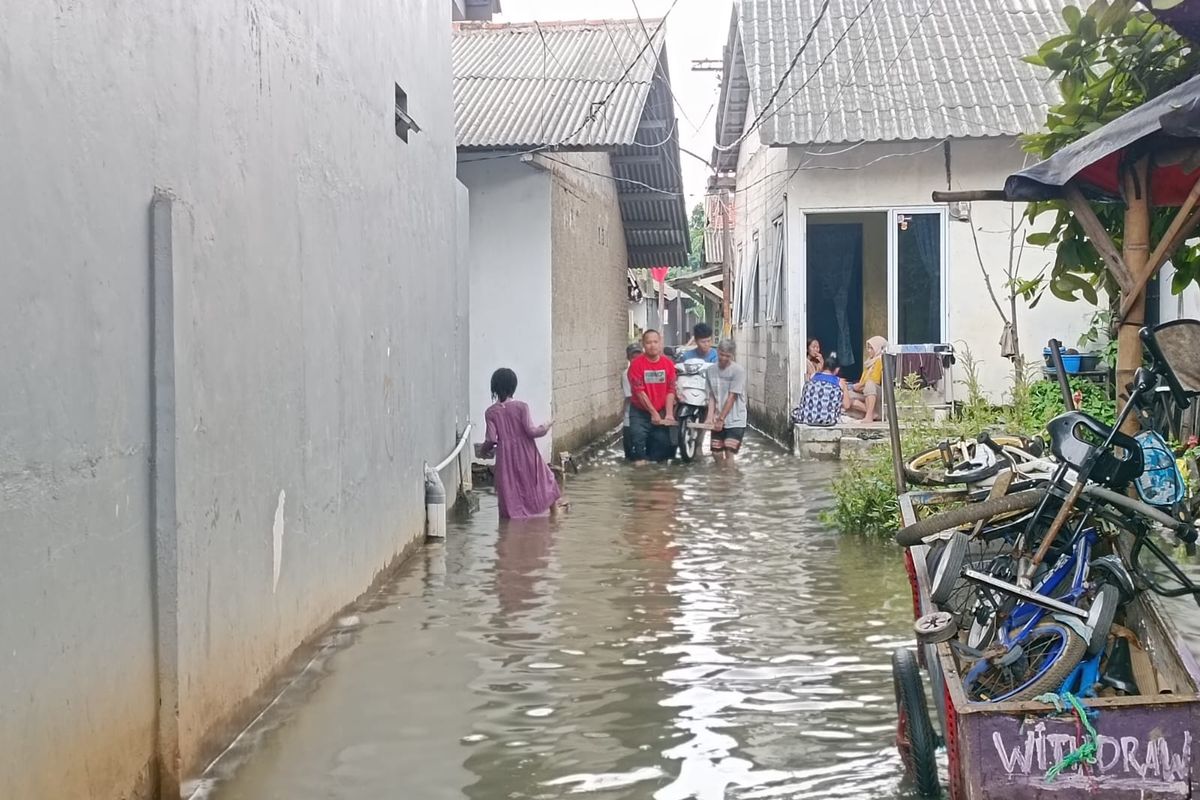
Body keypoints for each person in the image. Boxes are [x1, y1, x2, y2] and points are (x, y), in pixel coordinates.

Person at [479, 368, 563, 519]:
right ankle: (555, 514)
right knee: (545, 479)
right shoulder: (522, 407)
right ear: (513, 386)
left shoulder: (490, 412)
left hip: (505, 458)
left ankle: (511, 524)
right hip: (527, 452)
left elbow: (491, 439)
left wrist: (483, 452)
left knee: (509, 488)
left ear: (494, 388)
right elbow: (531, 431)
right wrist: (546, 426)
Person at [627, 329, 677, 464]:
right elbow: (639, 392)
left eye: (655, 342)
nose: (652, 345)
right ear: (643, 344)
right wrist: (653, 413)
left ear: (660, 343)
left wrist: (669, 413)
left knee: (662, 451)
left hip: (661, 411)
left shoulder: (668, 364)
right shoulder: (636, 365)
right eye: (649, 342)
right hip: (640, 412)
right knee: (638, 446)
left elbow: (670, 390)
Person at [706, 339, 747, 461]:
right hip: (717, 418)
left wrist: (721, 419)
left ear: (732, 355)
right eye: (721, 354)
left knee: (729, 452)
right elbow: (712, 396)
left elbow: (732, 397)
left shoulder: (738, 371)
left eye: (727, 356)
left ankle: (730, 473)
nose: (723, 358)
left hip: (736, 420)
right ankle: (721, 474)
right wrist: (709, 417)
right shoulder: (710, 370)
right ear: (717, 351)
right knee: (716, 453)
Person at [844, 336, 888, 422]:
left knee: (870, 384)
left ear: (878, 348)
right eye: (868, 348)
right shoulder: (869, 362)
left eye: (871, 348)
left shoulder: (880, 360)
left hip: (878, 392)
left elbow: (875, 380)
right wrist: (857, 386)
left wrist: (860, 386)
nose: (868, 350)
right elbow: (862, 381)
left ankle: (869, 416)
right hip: (865, 391)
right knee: (848, 394)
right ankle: (874, 414)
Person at [795, 353, 843, 427]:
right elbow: (847, 405)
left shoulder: (812, 377)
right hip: (828, 421)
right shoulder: (839, 382)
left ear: (823, 366)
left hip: (806, 419)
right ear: (837, 370)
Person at [621, 342, 643, 460]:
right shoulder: (626, 374)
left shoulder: (648, 371)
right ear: (628, 358)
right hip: (631, 418)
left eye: (638, 356)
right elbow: (630, 397)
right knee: (630, 454)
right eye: (633, 357)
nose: (636, 359)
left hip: (646, 418)